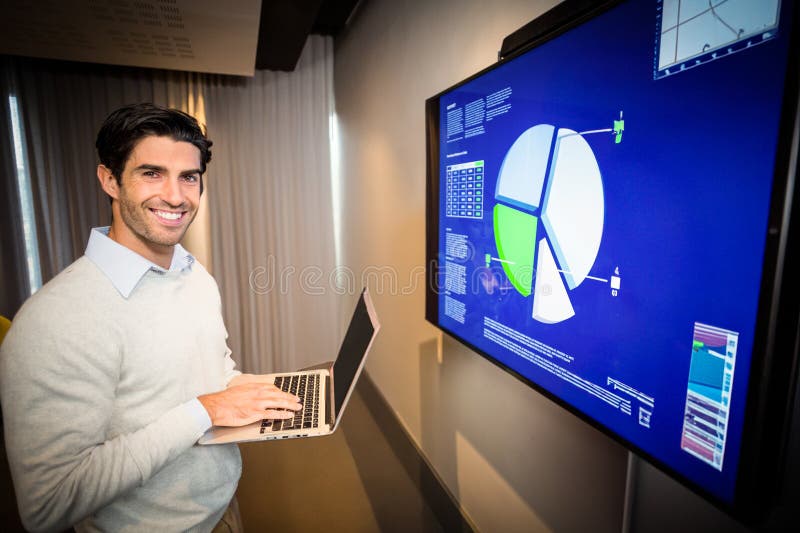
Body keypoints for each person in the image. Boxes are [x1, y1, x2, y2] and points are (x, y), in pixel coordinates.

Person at [0, 103, 302, 532]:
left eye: (189, 177)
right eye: (151, 173)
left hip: (222, 513)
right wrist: (204, 411)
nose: (176, 197)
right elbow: (48, 503)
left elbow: (213, 373)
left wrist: (260, 390)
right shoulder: (55, 319)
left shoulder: (193, 273)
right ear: (110, 179)